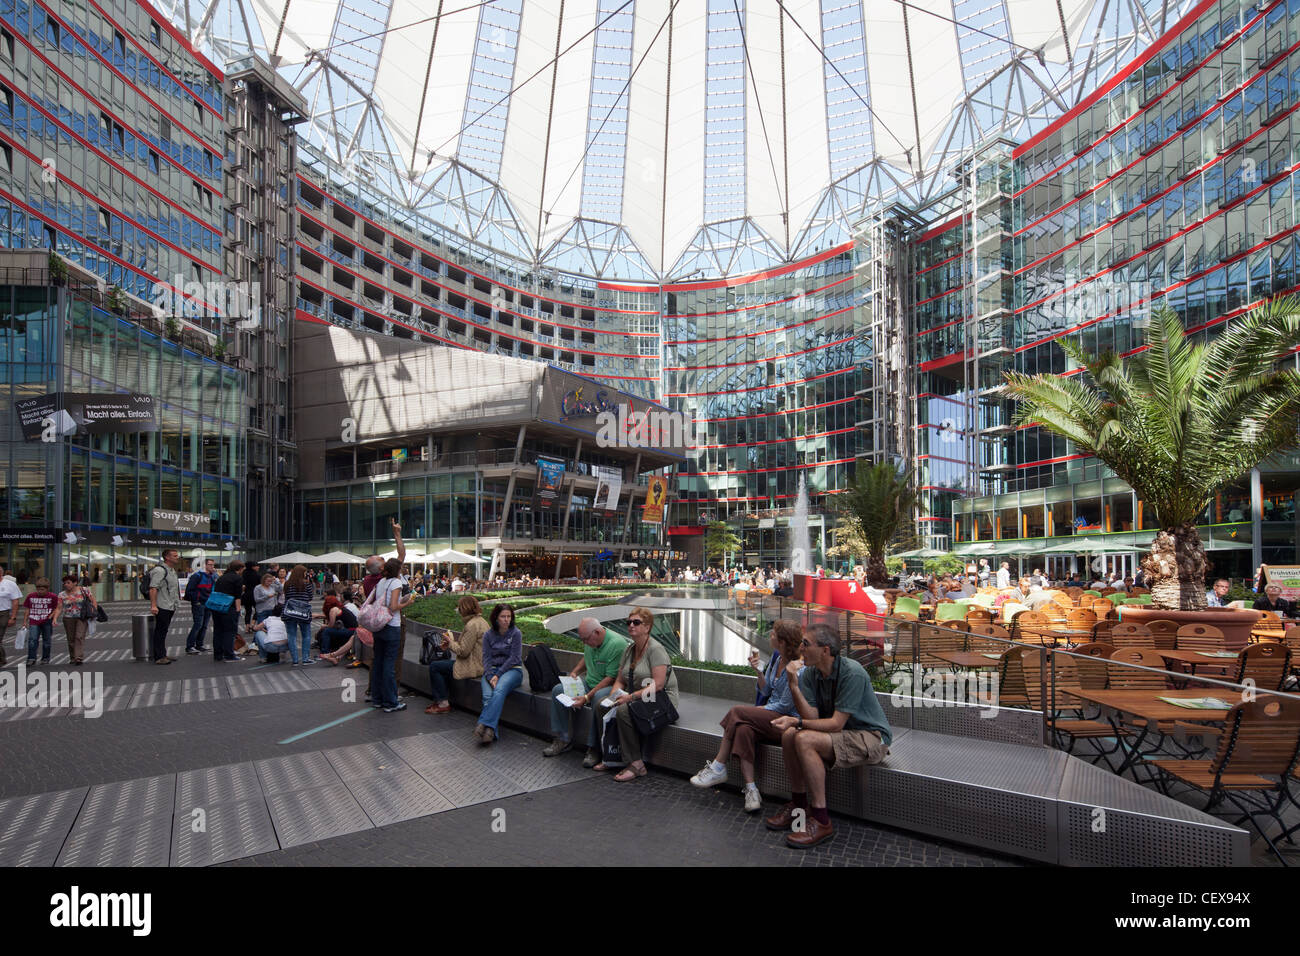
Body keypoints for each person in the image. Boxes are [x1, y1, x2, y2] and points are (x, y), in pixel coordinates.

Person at [764, 623, 893, 849]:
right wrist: (793, 685)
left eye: (806, 644)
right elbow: (811, 715)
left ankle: (822, 820)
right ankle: (799, 806)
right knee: (789, 735)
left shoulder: (852, 672)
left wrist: (798, 721)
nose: (801, 649)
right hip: (842, 734)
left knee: (803, 737)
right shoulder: (811, 674)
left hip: (870, 736)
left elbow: (835, 724)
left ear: (825, 650)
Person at [690, 620, 803, 811]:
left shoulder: (798, 667)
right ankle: (751, 790)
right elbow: (766, 689)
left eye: (774, 634)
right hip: (771, 714)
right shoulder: (777, 658)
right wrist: (758, 671)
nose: (770, 636)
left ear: (782, 641)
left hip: (786, 722)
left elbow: (785, 706)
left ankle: (718, 765)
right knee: (743, 729)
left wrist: (753, 712)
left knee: (737, 712)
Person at [594, 607, 679, 781]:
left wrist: (630, 697)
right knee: (602, 705)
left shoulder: (655, 649)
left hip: (660, 699)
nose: (631, 625)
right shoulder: (629, 650)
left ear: (647, 627)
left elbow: (659, 684)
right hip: (638, 696)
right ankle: (611, 756)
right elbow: (620, 679)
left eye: (636, 622)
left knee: (625, 710)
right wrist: (612, 697)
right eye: (629, 622)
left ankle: (636, 764)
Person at [542, 617, 629, 764]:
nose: (584, 643)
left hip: (609, 685)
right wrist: (575, 672)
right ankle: (562, 738)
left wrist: (587, 697)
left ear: (596, 632)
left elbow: (610, 678)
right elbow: (586, 657)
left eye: (585, 639)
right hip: (589, 681)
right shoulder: (590, 639)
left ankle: (593, 747)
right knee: (558, 690)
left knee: (598, 699)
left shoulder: (617, 644)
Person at [423, 595, 488, 713]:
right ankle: (444, 698)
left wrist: (450, 642)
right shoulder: (481, 621)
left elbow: (463, 652)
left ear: (464, 609)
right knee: (444, 666)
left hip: (473, 666)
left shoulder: (472, 625)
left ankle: (442, 703)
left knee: (435, 667)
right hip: (481, 663)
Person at [367, 557, 413, 713]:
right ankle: (391, 702)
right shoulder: (396, 583)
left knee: (378, 663)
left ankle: (377, 699)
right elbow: (393, 607)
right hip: (391, 626)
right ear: (398, 570)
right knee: (389, 665)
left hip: (379, 627)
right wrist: (407, 603)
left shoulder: (381, 582)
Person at [475, 603, 524, 744]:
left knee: (499, 689)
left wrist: (498, 675)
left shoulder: (516, 633)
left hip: (512, 670)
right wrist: (491, 675)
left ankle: (483, 724)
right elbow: (486, 658)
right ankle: (491, 732)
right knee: (487, 696)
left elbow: (515, 658)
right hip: (492, 671)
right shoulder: (488, 635)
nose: (506, 619)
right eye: (503, 616)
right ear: (496, 618)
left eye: (509, 616)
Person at [51, 573, 96, 665]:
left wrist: (93, 613)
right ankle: (73, 657)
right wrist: (55, 618)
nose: (66, 585)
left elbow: (93, 601)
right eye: (64, 583)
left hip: (82, 617)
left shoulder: (84, 590)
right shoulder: (61, 594)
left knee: (79, 636)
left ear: (75, 583)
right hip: (68, 618)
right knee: (71, 639)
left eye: (68, 583)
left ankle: (78, 657)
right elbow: (59, 608)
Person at [148, 549, 181, 665]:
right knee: (160, 631)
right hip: (162, 605)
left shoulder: (171, 570)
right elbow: (153, 588)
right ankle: (159, 656)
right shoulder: (159, 570)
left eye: (177, 555)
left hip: (170, 605)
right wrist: (153, 605)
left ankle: (162, 653)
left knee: (163, 630)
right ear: (167, 557)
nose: (177, 557)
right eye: (175, 555)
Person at [281, 565, 316, 664]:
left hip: (289, 612)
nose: (306, 575)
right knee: (306, 635)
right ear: (302, 573)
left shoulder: (287, 584)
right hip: (303, 612)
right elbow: (310, 597)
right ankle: (305, 658)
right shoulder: (307, 584)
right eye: (305, 573)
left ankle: (295, 660)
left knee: (291, 636)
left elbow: (286, 596)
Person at [211, 561, 246, 662]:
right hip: (229, 607)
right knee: (229, 632)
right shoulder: (237, 578)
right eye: (242, 569)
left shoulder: (222, 577)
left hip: (217, 606)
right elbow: (237, 596)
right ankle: (229, 655)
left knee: (218, 631)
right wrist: (238, 609)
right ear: (239, 569)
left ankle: (218, 654)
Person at [183, 558, 217, 655]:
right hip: (199, 603)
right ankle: (190, 646)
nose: (212, 567)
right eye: (210, 565)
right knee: (198, 624)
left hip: (208, 602)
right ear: (205, 565)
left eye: (213, 565)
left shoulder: (211, 576)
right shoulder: (197, 576)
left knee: (204, 625)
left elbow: (215, 586)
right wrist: (196, 600)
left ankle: (199, 645)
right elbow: (189, 590)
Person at [20, 578, 58, 665]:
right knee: (32, 640)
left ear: (47, 589)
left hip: (46, 621)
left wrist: (51, 617)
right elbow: (27, 609)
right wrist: (25, 622)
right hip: (34, 620)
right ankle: (31, 658)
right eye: (38, 589)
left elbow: (56, 608)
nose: (40, 591)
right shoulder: (31, 596)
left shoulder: (53, 596)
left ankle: (45, 658)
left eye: (42, 589)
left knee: (47, 641)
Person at [0, 566, 22, 667]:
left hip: (3, 613)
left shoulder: (10, 584)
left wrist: (13, 617)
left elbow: (15, 601)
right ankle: (2, 658)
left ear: (2, 573)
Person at [241, 561, 261, 631]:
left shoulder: (243, 574)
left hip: (246, 595)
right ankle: (252, 624)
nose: (258, 567)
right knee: (258, 610)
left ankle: (247, 626)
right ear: (253, 567)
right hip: (255, 595)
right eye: (257, 566)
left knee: (248, 611)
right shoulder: (257, 575)